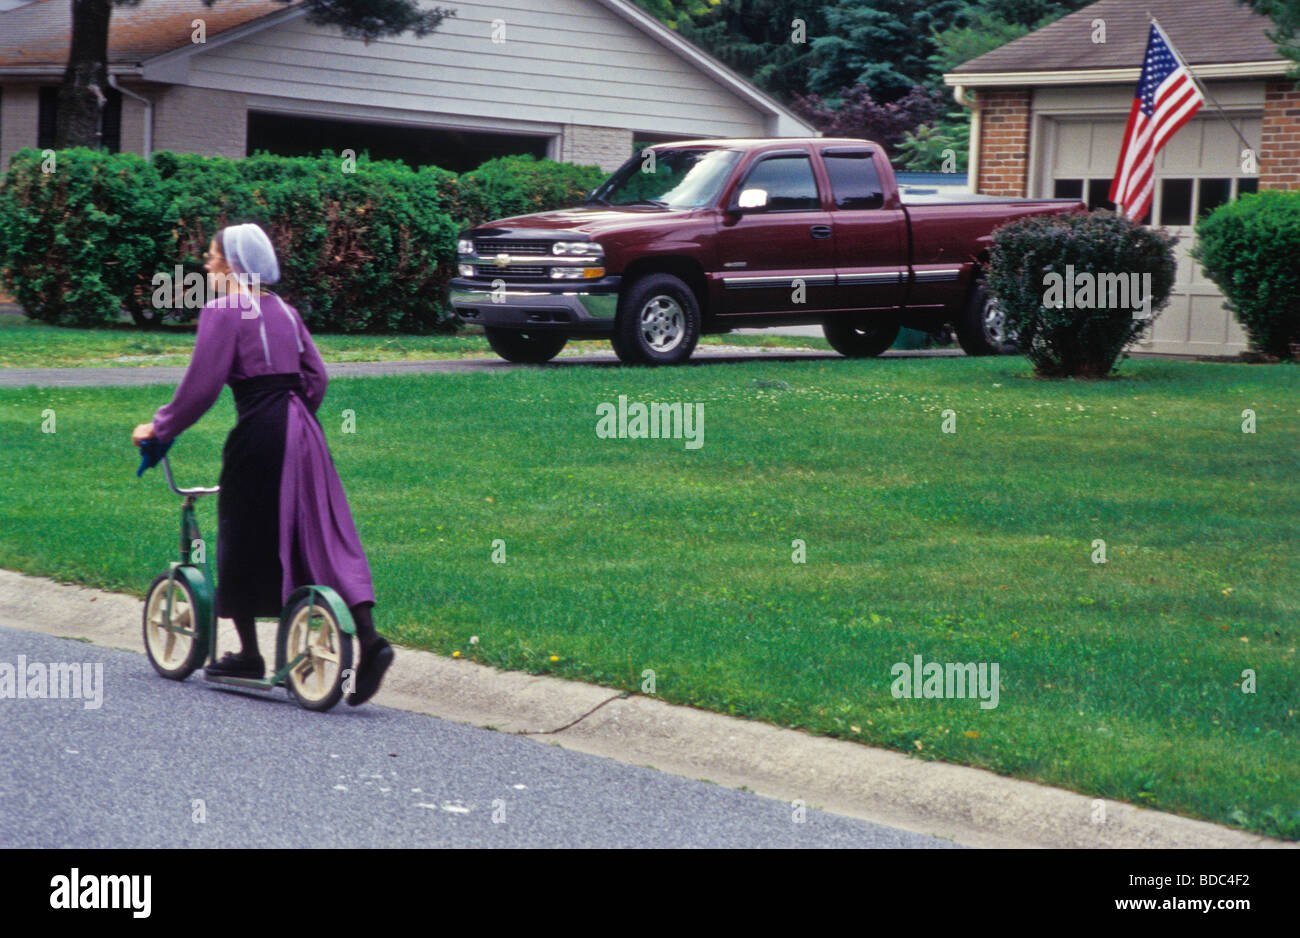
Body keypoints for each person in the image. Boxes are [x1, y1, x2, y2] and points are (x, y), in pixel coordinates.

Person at [132, 223, 393, 706]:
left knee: (241, 529)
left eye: (211, 258)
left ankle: (249, 653)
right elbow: (317, 377)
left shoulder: (223, 311)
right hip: (303, 433)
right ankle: (370, 638)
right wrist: (295, 418)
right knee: (323, 531)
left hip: (259, 430)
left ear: (230, 265)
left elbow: (200, 388)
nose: (206, 266)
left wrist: (159, 428)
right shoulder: (286, 311)